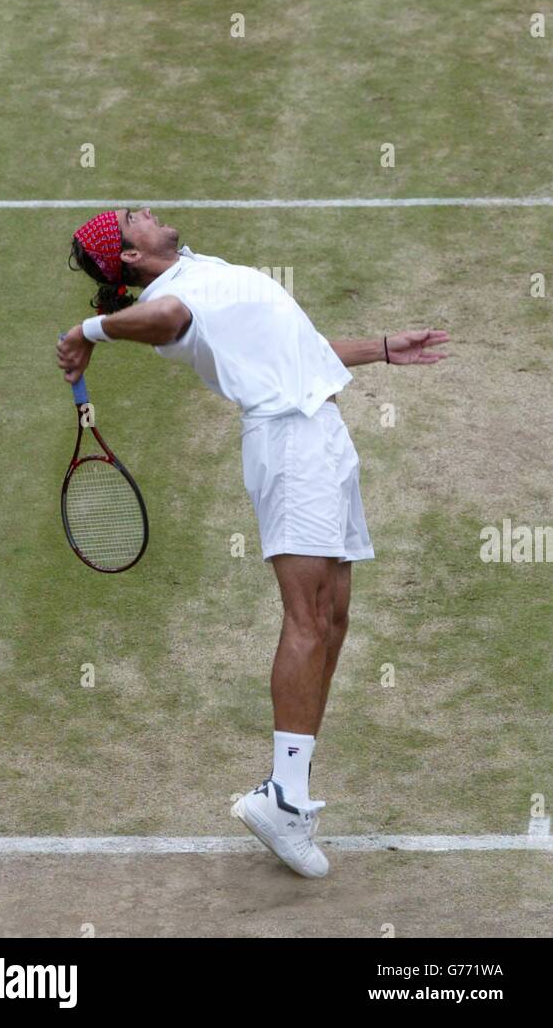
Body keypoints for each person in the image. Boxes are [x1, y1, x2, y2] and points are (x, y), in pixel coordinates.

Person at [57, 207, 449, 878]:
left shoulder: (197, 270)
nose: (148, 212)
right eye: (134, 218)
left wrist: (381, 348)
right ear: (127, 256)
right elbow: (167, 322)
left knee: (333, 618)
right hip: (288, 442)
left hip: (320, 431)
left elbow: (293, 345)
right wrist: (86, 330)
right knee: (305, 619)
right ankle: (285, 800)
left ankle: (286, 795)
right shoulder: (163, 302)